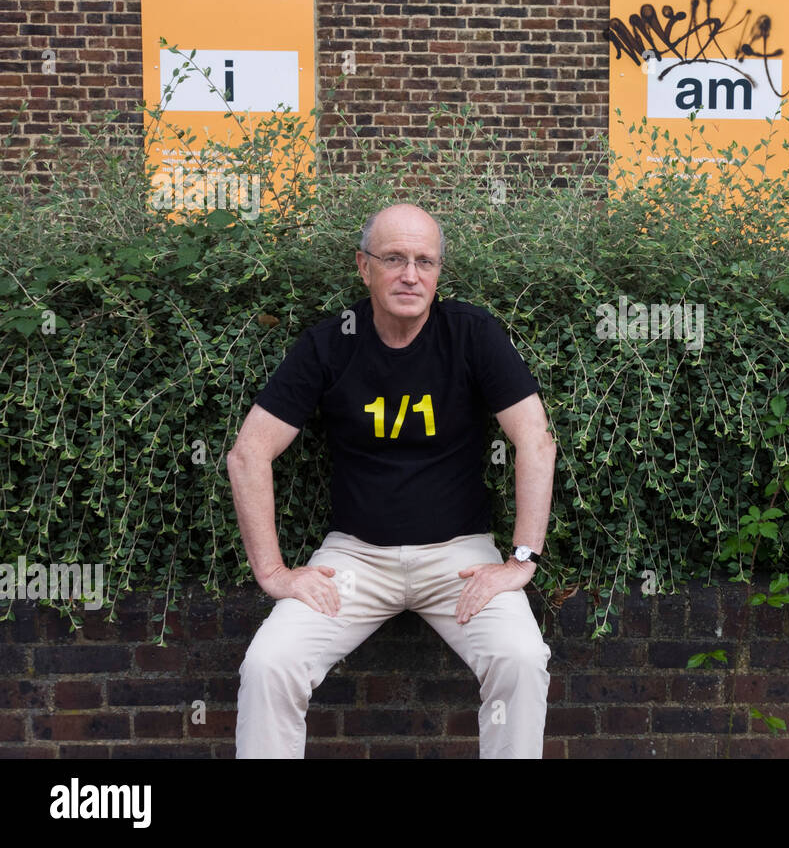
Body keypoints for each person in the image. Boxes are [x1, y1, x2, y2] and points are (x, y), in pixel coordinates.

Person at [227, 202, 555, 758]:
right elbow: (248, 453)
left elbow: (536, 440)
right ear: (364, 266)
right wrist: (274, 572)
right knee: (268, 664)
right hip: (355, 562)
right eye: (394, 258)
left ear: (439, 273)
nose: (410, 274)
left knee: (522, 659)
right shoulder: (331, 343)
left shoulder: (471, 334)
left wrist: (521, 561)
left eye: (425, 261)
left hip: (460, 560)